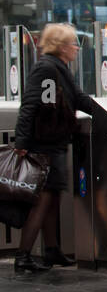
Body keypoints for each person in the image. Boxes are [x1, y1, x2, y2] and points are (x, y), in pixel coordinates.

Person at [11, 23, 96, 273]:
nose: (76, 49)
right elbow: (30, 106)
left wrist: (106, 112)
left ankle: (51, 250)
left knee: (52, 197)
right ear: (60, 47)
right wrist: (22, 142)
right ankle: (23, 255)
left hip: (54, 142)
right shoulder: (47, 69)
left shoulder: (58, 68)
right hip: (45, 144)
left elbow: (78, 98)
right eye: (73, 44)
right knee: (44, 199)